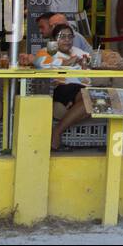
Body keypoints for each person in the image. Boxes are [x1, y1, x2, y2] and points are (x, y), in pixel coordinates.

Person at [35, 23, 92, 151]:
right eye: (62, 36)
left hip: (81, 88)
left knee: (90, 102)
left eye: (70, 37)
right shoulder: (51, 50)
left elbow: (90, 69)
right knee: (87, 97)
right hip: (60, 87)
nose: (67, 40)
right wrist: (66, 62)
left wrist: (85, 66)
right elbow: (39, 62)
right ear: (54, 39)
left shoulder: (79, 52)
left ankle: (57, 130)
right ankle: (56, 133)